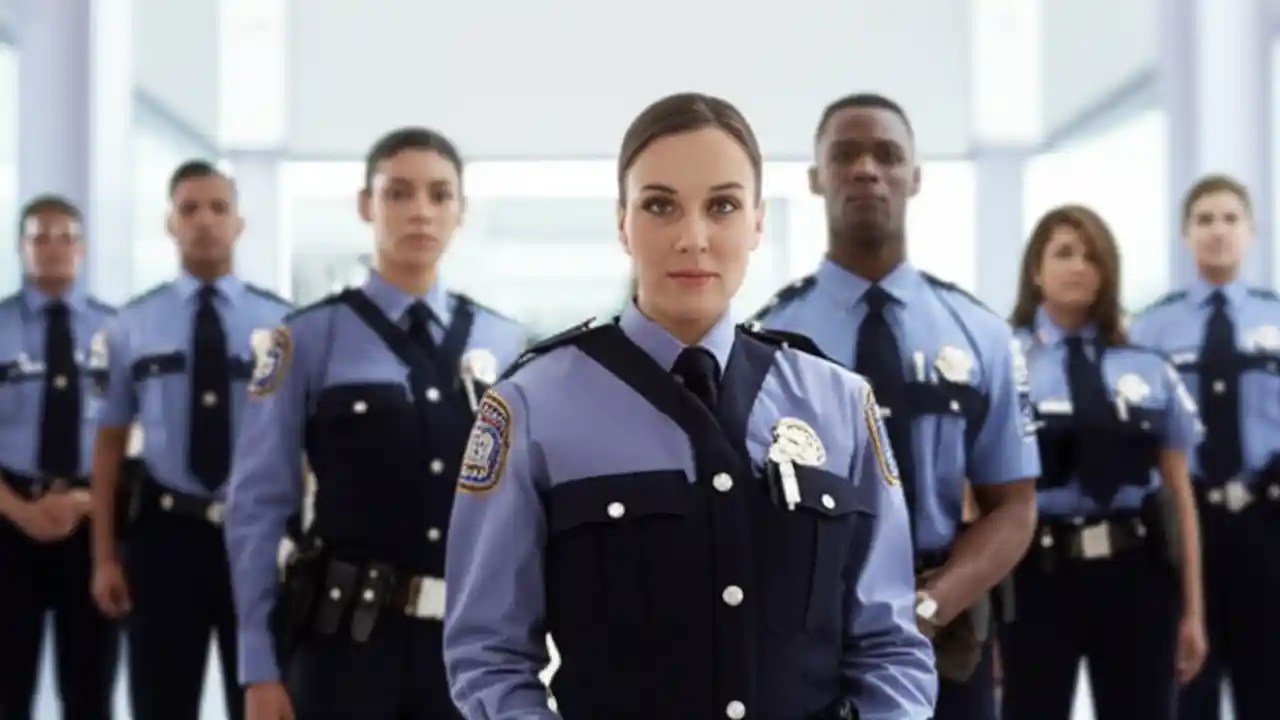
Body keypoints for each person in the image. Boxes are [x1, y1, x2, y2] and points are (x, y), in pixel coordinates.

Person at [443, 92, 938, 720]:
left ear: (758, 221)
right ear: (622, 221)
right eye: (660, 205)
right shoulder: (532, 406)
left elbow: (889, 646)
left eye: (723, 206)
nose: (693, 237)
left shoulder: (840, 404)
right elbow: (487, 652)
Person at [750, 92, 1039, 720]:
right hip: (812, 632)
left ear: (914, 176)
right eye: (845, 154)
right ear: (815, 177)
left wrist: (931, 608)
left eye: (887, 154)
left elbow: (1013, 506)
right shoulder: (765, 340)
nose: (865, 169)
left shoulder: (979, 333)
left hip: (944, 629)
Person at [225, 126, 529, 720]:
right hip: (345, 647)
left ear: (460, 211)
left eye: (440, 195)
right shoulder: (306, 338)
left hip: (467, 655)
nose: (420, 211)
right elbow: (257, 508)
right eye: (399, 193)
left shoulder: (505, 340)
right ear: (367, 204)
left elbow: (525, 504)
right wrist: (258, 667)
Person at [88, 161, 293, 720]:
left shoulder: (282, 322)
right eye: (189, 209)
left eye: (218, 208)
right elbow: (107, 447)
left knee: (261, 698)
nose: (204, 221)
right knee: (159, 701)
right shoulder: (132, 323)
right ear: (170, 223)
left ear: (240, 223)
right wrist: (105, 557)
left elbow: (302, 442)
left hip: (258, 538)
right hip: (165, 539)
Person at [999, 205, 1207, 719]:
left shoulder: (1148, 369)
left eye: (1091, 256)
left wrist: (1193, 612)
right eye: (1063, 253)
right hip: (1036, 578)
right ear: (1035, 270)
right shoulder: (1004, 365)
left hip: (1135, 575)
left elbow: (1180, 495)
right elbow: (977, 496)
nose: (1078, 267)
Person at [1128, 174, 1280, 720]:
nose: (1218, 231)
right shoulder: (1150, 328)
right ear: (1185, 235)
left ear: (1252, 231)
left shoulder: (1274, 316)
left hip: (1266, 523)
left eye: (1230, 219)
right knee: (1187, 685)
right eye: (1205, 220)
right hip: (1183, 528)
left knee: (1269, 686)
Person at [0, 196, 119, 719]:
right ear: (21, 248)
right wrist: (20, 510)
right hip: (7, 521)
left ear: (84, 248)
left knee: (89, 690)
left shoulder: (119, 331)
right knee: (7, 688)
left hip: (93, 525)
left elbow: (141, 434)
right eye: (39, 236)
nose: (53, 247)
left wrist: (86, 499)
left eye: (66, 235)